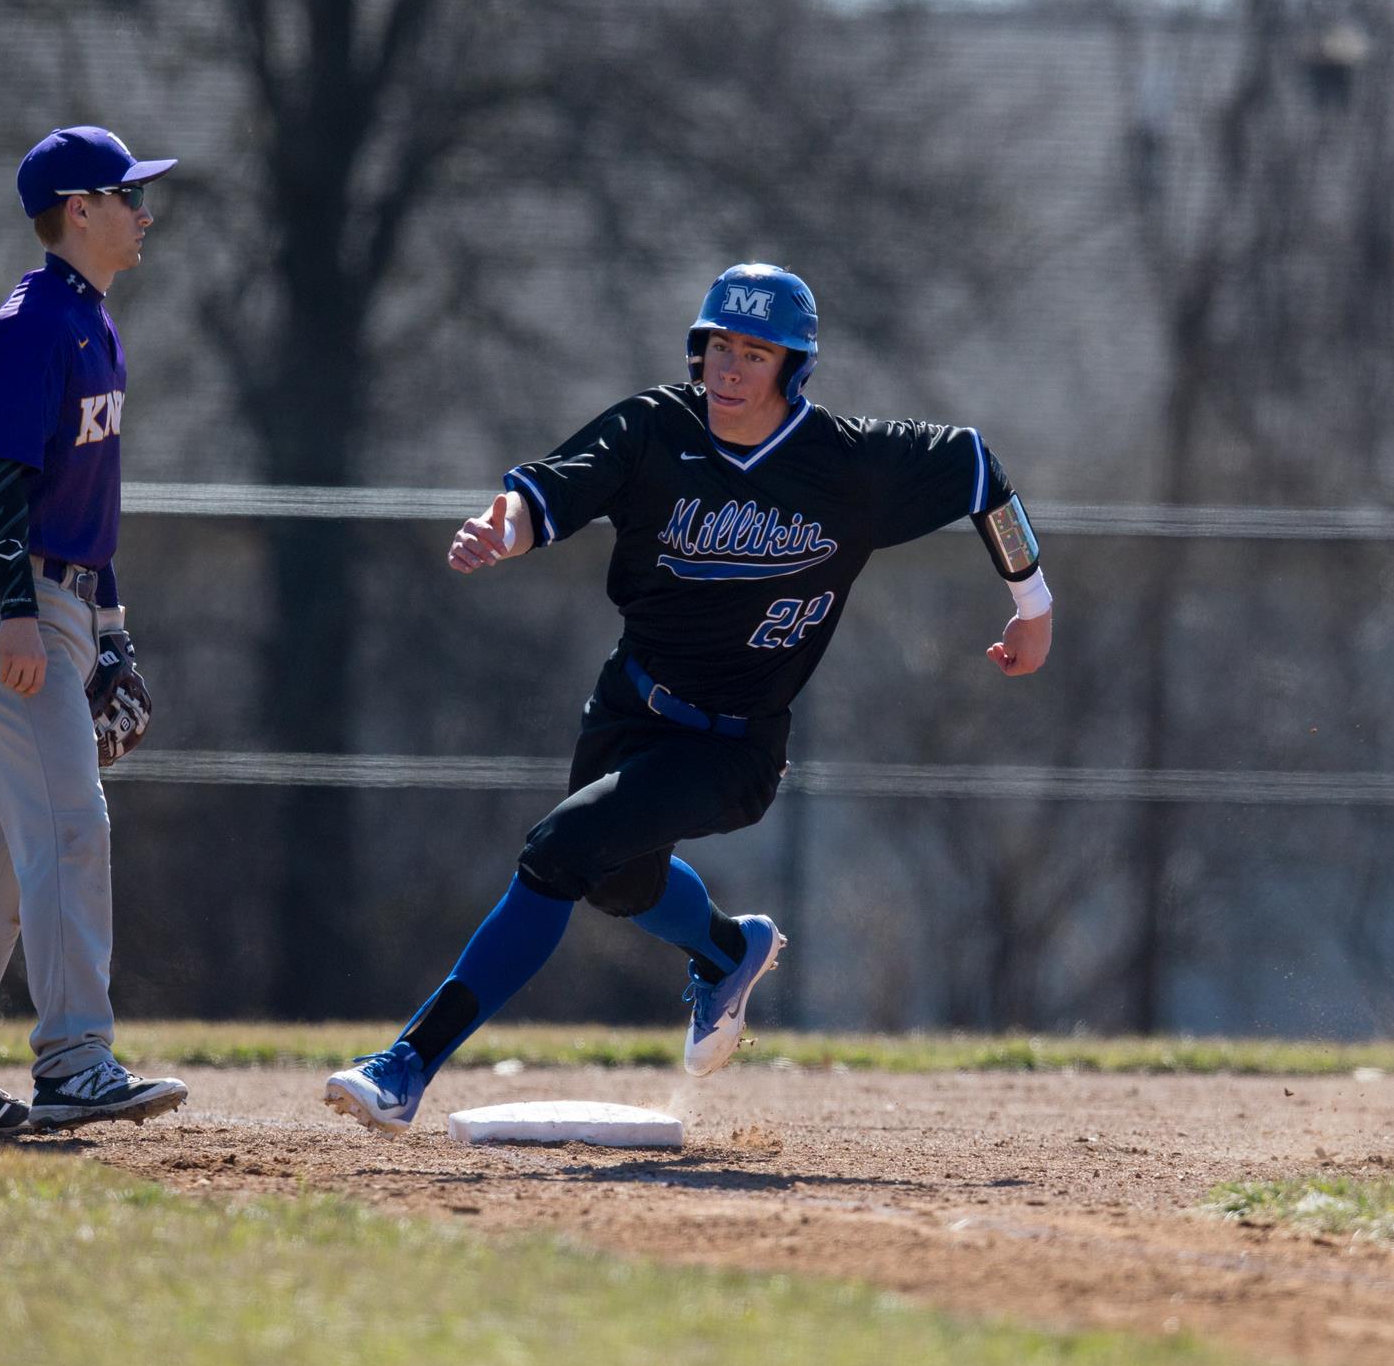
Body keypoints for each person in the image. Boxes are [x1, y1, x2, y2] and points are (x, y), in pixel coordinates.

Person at [325, 262, 1054, 1134]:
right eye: (718, 347)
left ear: (793, 367)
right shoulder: (652, 430)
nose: (731, 369)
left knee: (560, 850)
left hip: (733, 748)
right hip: (629, 705)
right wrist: (503, 530)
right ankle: (728, 950)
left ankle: (406, 1064)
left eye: (756, 352)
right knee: (617, 884)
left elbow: (979, 468)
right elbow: (545, 491)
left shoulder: (846, 464)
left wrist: (1033, 603)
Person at [0, 126, 188, 1141]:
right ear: (76, 208)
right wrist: (21, 613)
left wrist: (111, 636)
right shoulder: (28, 325)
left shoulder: (92, 323)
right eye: (125, 195)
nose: (143, 213)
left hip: (56, 608)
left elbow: (85, 504)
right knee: (71, 826)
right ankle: (73, 1061)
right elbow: (1, 478)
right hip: (8, 614)